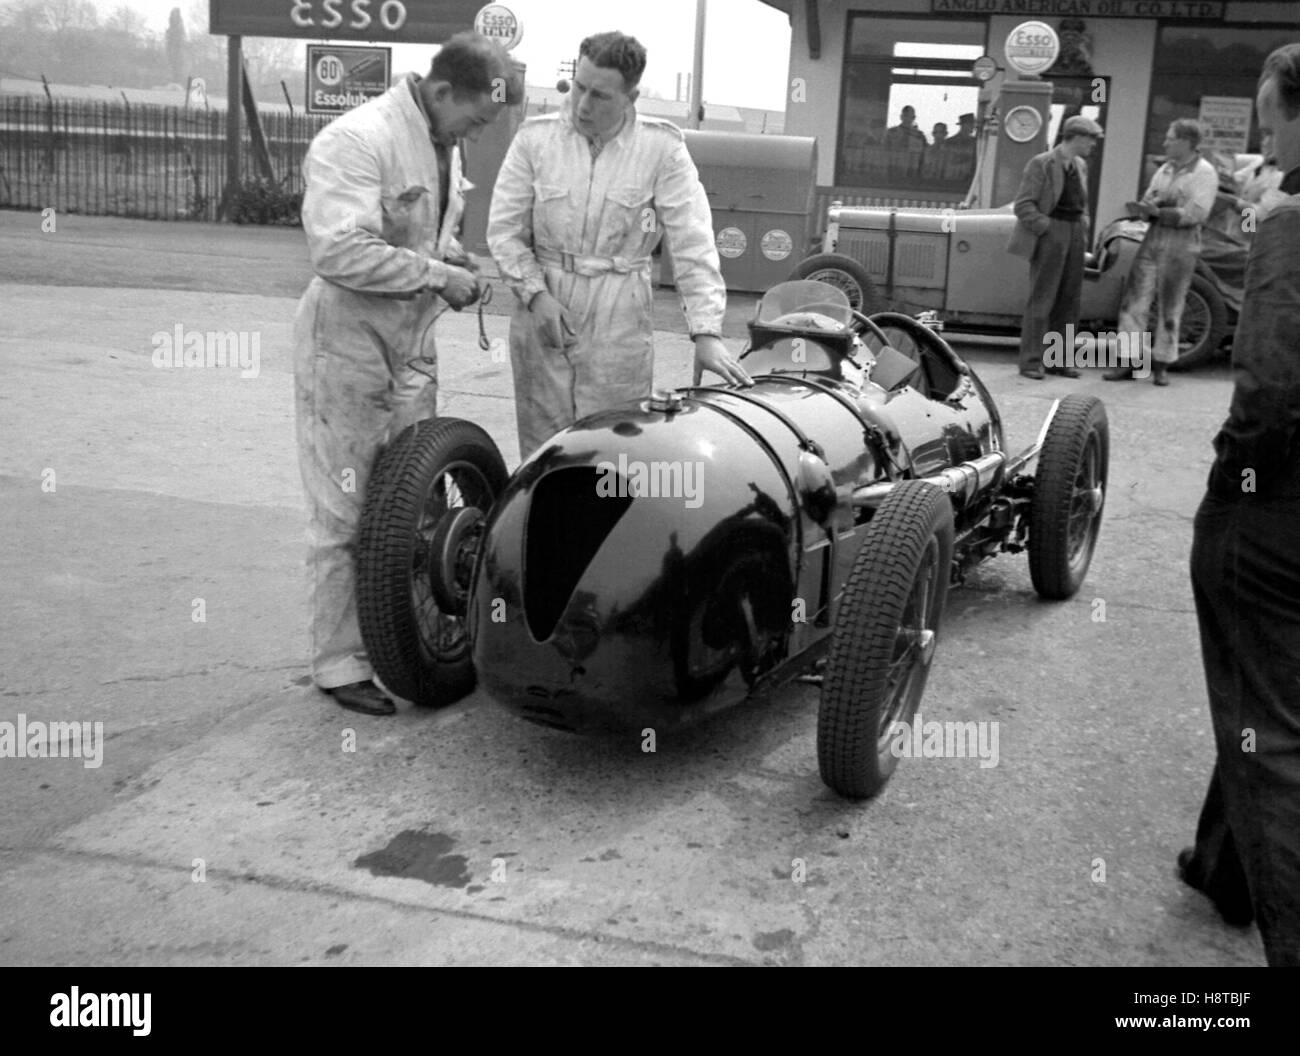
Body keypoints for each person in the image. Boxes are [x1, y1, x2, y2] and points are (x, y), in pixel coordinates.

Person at [293, 33, 521, 716]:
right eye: (477, 118)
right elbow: (338, 250)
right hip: (348, 337)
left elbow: (420, 235)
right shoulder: (358, 139)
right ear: (444, 91)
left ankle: (408, 639)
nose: (479, 133)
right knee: (346, 504)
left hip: (410, 338)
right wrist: (437, 273)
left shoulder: (442, 143)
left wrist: (456, 258)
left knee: (410, 500)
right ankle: (338, 663)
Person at [487, 30, 748, 460]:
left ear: (632, 96)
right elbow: (503, 230)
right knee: (543, 453)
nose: (583, 105)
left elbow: (692, 241)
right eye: (579, 87)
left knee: (612, 451)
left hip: (620, 313)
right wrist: (535, 295)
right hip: (544, 306)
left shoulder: (661, 149)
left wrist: (706, 331)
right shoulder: (535, 140)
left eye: (600, 96)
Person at [1181, 43, 1300, 969]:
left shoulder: (1290, 217)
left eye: (1267, 109)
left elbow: (1267, 384)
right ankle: (1224, 868)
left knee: (1274, 734)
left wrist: (1235, 479)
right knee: (1269, 688)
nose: (1261, 126)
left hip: (1276, 505)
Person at [1104, 119, 1218, 385]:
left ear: (1186, 142)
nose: (1165, 142)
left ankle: (1162, 365)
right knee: (1134, 301)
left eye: (1170, 138)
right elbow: (1150, 195)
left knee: (1171, 304)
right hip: (1153, 238)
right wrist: (1147, 205)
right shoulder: (1164, 169)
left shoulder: (1205, 172)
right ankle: (1129, 362)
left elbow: (1197, 212)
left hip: (1182, 243)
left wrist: (1161, 211)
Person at [1006, 115, 1104, 379]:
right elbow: (1023, 205)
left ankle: (1058, 360)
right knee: (1043, 297)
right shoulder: (1042, 163)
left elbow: (1081, 202)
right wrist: (1047, 228)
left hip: (1074, 232)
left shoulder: (1080, 165)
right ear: (1077, 137)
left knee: (1069, 300)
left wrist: (1083, 224)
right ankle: (1030, 362)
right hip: (1052, 230)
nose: (1093, 145)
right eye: (1090, 140)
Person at [882, 105, 927, 182]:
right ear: (901, 116)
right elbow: (884, 151)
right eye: (905, 115)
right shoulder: (892, 132)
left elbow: (923, 155)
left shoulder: (919, 136)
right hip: (893, 169)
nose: (908, 118)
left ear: (914, 118)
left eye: (911, 116)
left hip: (912, 170)